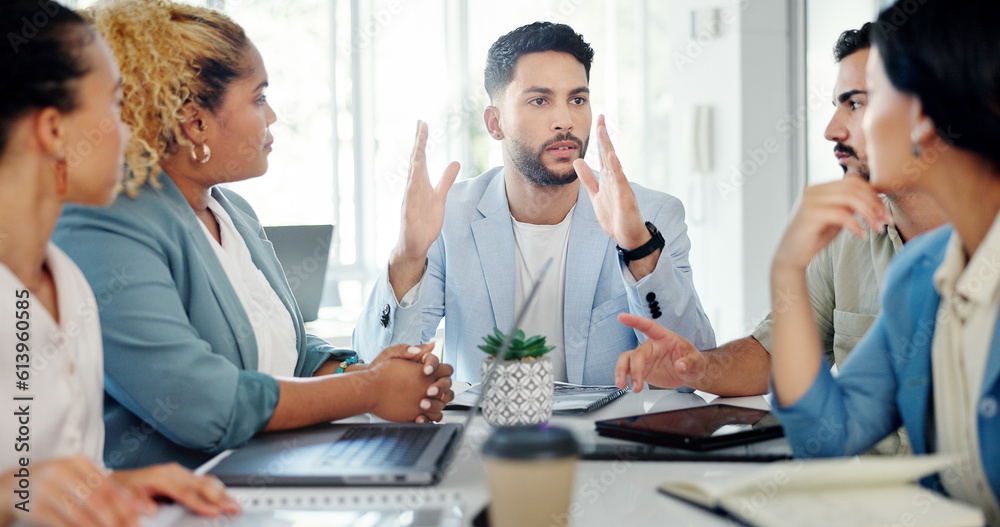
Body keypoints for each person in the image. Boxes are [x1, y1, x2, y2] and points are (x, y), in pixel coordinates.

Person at [52, 0, 455, 471]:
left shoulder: (232, 210)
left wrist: (368, 371)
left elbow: (294, 357)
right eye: (259, 98)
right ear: (195, 120)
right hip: (174, 503)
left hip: (273, 476)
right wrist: (372, 389)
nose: (273, 118)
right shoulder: (108, 224)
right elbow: (201, 404)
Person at [353, 22, 715, 384]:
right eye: (540, 100)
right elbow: (375, 370)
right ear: (495, 123)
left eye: (578, 99)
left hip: (611, 437)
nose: (565, 121)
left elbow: (694, 365)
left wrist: (639, 249)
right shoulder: (450, 219)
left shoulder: (650, 217)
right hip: (490, 435)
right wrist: (407, 259)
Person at [612, 23, 946, 404]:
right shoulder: (843, 234)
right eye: (838, 104)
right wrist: (698, 366)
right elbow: (773, 356)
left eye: (855, 104)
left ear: (923, 112)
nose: (831, 130)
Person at [0, 2, 238, 525]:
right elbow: (21, 489)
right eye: (113, 106)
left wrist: (109, 486)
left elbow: (47, 480)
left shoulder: (70, 284)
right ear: (54, 131)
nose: (129, 133)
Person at [770, 0, 1000, 523]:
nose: (835, 131)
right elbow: (826, 435)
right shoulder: (921, 277)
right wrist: (785, 268)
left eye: (864, 100)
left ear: (920, 114)